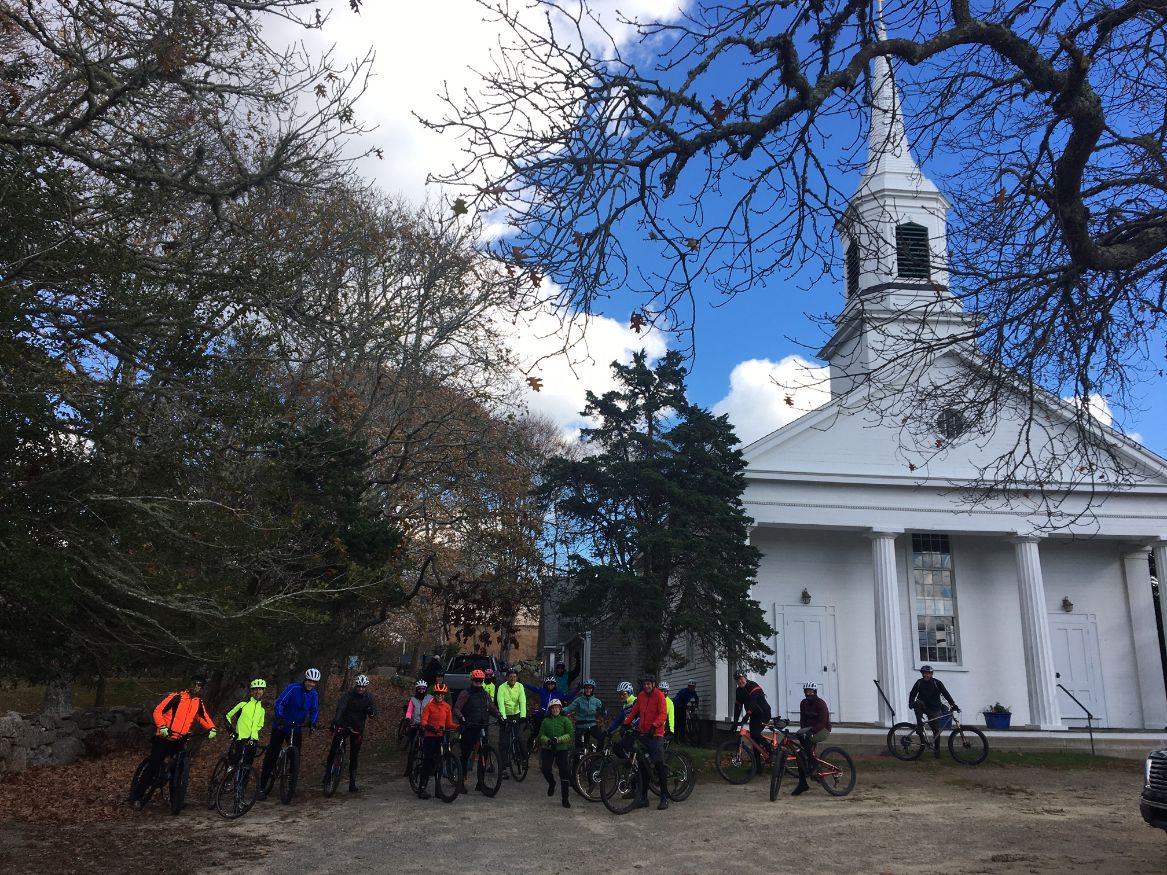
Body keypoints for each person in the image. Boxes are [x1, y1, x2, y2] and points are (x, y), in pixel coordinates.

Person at [130, 673, 217, 808]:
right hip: (164, 737)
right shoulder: (176, 697)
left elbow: (203, 717)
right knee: (153, 766)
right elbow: (157, 711)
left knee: (178, 769)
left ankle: (175, 800)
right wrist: (162, 727)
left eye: (199, 685)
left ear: (202, 688)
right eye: (194, 684)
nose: (196, 687)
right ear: (190, 684)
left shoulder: (197, 703)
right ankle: (137, 797)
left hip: (180, 739)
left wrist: (212, 728)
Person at [259, 668, 320, 799]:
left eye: (314, 682)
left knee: (295, 758)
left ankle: (291, 786)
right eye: (309, 681)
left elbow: (314, 710)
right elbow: (280, 702)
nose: (311, 684)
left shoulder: (314, 694)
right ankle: (261, 787)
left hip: (297, 728)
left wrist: (313, 722)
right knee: (272, 755)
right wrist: (280, 716)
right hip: (281, 726)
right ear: (305, 680)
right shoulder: (293, 688)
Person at [622, 673, 671, 811]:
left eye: (649, 684)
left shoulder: (659, 696)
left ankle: (664, 798)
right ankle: (643, 798)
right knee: (643, 766)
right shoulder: (641, 696)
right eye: (645, 684)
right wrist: (626, 724)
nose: (646, 686)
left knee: (658, 764)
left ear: (653, 684)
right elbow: (634, 712)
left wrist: (654, 726)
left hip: (656, 734)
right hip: (644, 733)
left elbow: (663, 714)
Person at [453, 668, 501, 793]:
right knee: (466, 754)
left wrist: (500, 716)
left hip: (482, 726)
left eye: (480, 681)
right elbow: (457, 708)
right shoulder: (465, 693)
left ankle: (481, 782)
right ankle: (461, 782)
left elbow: (491, 708)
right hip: (469, 727)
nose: (478, 683)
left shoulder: (485, 694)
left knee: (484, 753)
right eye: (476, 681)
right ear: (472, 680)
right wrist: (461, 718)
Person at [328, 674, 376, 792]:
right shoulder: (348, 695)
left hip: (357, 728)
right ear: (356, 685)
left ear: (366, 687)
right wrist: (335, 721)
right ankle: (327, 776)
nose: (361, 689)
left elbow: (374, 713)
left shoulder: (369, 697)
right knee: (334, 750)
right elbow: (341, 708)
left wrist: (371, 712)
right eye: (359, 686)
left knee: (354, 755)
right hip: (344, 724)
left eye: (363, 687)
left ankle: (352, 782)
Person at [416, 682, 458, 800]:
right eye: (438, 694)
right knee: (427, 761)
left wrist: (458, 726)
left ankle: (438, 790)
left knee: (439, 763)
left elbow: (448, 723)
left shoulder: (446, 707)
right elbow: (423, 720)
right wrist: (428, 726)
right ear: (435, 694)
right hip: (430, 736)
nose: (440, 696)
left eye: (442, 694)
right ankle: (422, 788)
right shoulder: (429, 706)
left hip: (441, 736)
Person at [791, 682, 832, 796]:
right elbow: (802, 719)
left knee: (809, 742)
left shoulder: (821, 704)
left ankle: (813, 764)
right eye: (806, 691)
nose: (808, 693)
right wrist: (803, 731)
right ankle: (802, 784)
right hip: (809, 730)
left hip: (823, 730)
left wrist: (811, 732)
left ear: (815, 692)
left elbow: (823, 722)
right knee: (800, 754)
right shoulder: (803, 703)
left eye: (811, 691)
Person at [908, 665, 959, 757]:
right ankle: (919, 725)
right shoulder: (919, 683)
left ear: (931, 674)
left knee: (936, 730)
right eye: (923, 673)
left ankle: (937, 751)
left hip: (934, 708)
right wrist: (911, 702)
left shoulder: (937, 683)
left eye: (927, 673)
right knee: (917, 703)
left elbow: (946, 693)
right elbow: (913, 693)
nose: (925, 675)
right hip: (923, 705)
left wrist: (953, 704)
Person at [535, 698, 575, 808]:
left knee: (564, 772)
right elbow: (541, 735)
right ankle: (551, 783)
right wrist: (547, 740)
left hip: (561, 749)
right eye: (553, 708)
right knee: (545, 768)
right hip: (548, 748)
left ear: (560, 709)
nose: (555, 710)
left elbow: (570, 734)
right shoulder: (545, 721)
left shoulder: (565, 720)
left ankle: (565, 798)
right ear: (550, 709)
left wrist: (558, 739)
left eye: (557, 708)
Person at [224, 679, 266, 772]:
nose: (258, 692)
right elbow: (227, 715)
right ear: (251, 691)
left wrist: (253, 734)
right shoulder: (243, 704)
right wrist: (231, 731)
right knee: (237, 758)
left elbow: (260, 725)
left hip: (253, 740)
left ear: (263, 691)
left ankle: (241, 786)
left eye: (260, 689)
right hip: (240, 737)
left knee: (248, 765)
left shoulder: (262, 710)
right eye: (255, 689)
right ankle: (227, 779)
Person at [732, 669, 772, 759]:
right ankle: (758, 768)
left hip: (764, 713)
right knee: (754, 741)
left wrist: (746, 716)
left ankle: (769, 748)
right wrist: (735, 722)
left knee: (755, 734)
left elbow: (752, 703)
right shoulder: (739, 691)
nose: (740, 681)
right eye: (737, 679)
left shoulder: (753, 686)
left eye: (741, 678)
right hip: (754, 716)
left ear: (745, 678)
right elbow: (737, 707)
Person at [496, 667, 527, 778]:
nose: (513, 678)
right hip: (505, 715)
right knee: (504, 743)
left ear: (517, 678)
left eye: (514, 677)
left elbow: (522, 701)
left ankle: (523, 759)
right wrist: (503, 718)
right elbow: (501, 703)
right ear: (507, 678)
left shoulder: (520, 686)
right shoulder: (501, 688)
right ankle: (503, 768)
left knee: (520, 738)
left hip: (517, 714)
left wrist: (523, 715)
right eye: (510, 677)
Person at [524, 675, 565, 747]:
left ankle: (550, 744)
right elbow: (533, 688)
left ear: (554, 685)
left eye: (552, 684)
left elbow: (568, 697)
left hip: (552, 714)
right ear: (546, 685)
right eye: (548, 684)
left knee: (552, 731)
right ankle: (529, 744)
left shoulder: (558, 693)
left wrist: (577, 691)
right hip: (541, 713)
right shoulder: (543, 691)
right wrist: (523, 683)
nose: (550, 685)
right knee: (536, 731)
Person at [563, 678, 604, 749]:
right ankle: (577, 759)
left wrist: (603, 711)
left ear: (593, 689)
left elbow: (603, 713)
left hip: (592, 725)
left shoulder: (597, 701)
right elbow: (569, 709)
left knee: (601, 738)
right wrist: (559, 710)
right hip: (581, 726)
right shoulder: (579, 700)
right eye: (586, 688)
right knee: (578, 746)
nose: (588, 690)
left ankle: (598, 755)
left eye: (590, 688)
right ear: (584, 689)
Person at [403, 679, 432, 776]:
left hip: (426, 724)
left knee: (427, 746)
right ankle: (408, 768)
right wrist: (407, 719)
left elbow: (433, 710)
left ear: (426, 689)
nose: (421, 691)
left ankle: (427, 767)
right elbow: (409, 711)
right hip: (415, 724)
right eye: (419, 689)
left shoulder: (430, 698)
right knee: (412, 748)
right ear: (417, 689)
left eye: (423, 689)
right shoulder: (413, 699)